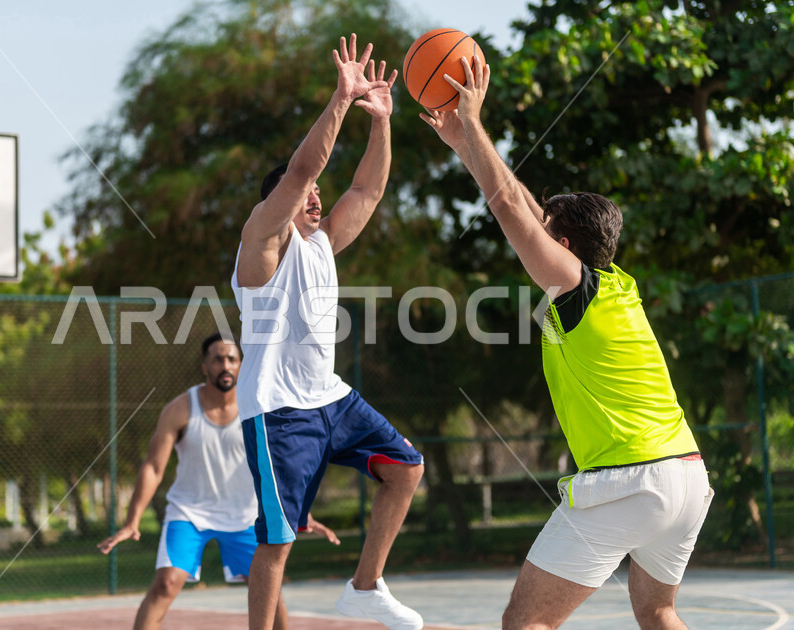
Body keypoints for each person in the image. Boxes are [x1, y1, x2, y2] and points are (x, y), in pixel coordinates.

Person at [420, 57, 714, 630]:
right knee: (659, 611)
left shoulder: (572, 285)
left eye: (547, 228)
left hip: (630, 479)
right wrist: (463, 140)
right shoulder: (614, 283)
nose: (536, 227)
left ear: (562, 243)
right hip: (687, 474)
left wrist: (475, 119)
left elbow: (509, 208)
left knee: (526, 622)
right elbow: (527, 206)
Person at [231, 34, 425, 630]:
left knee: (406, 467)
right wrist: (341, 99)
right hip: (278, 411)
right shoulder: (261, 245)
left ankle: (365, 587)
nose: (317, 196)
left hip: (330, 399)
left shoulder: (320, 247)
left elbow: (366, 190)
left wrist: (381, 123)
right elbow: (303, 167)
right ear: (278, 204)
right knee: (279, 543)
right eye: (307, 194)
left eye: (317, 194)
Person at [96, 333, 340, 630]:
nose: (225, 365)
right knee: (165, 583)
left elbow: (283, 466)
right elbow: (153, 467)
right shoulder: (180, 409)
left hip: (246, 516)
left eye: (232, 359)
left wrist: (302, 513)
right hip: (189, 512)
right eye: (218, 359)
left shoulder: (260, 406)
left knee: (269, 593)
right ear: (204, 366)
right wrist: (133, 520)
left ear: (241, 365)